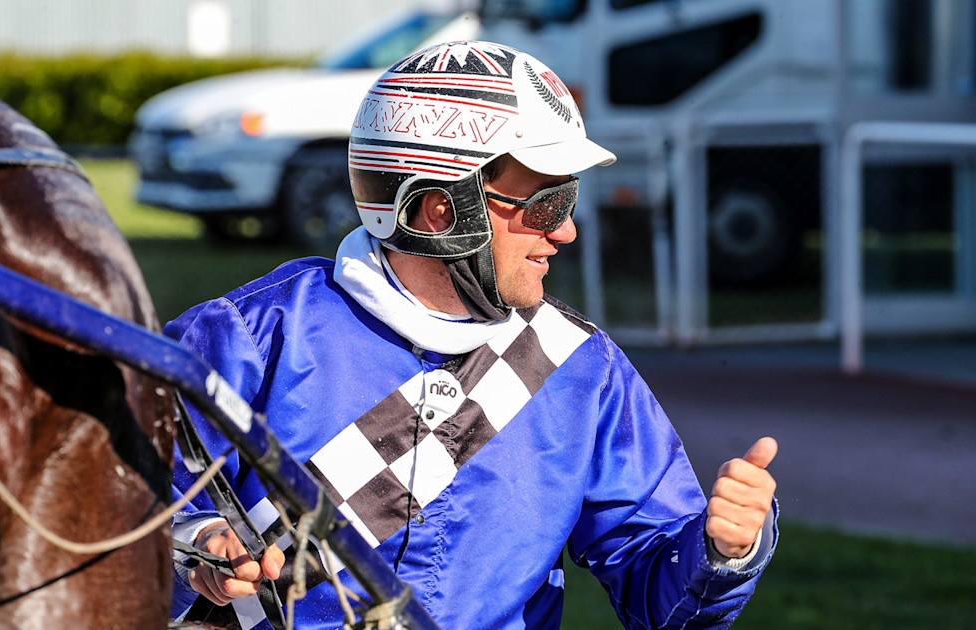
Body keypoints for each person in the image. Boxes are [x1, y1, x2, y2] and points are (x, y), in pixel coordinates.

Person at [167, 41, 778, 629]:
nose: (566, 231)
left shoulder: (583, 369)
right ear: (442, 208)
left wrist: (720, 551)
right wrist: (195, 544)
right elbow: (132, 501)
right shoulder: (247, 337)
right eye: (547, 204)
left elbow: (659, 593)